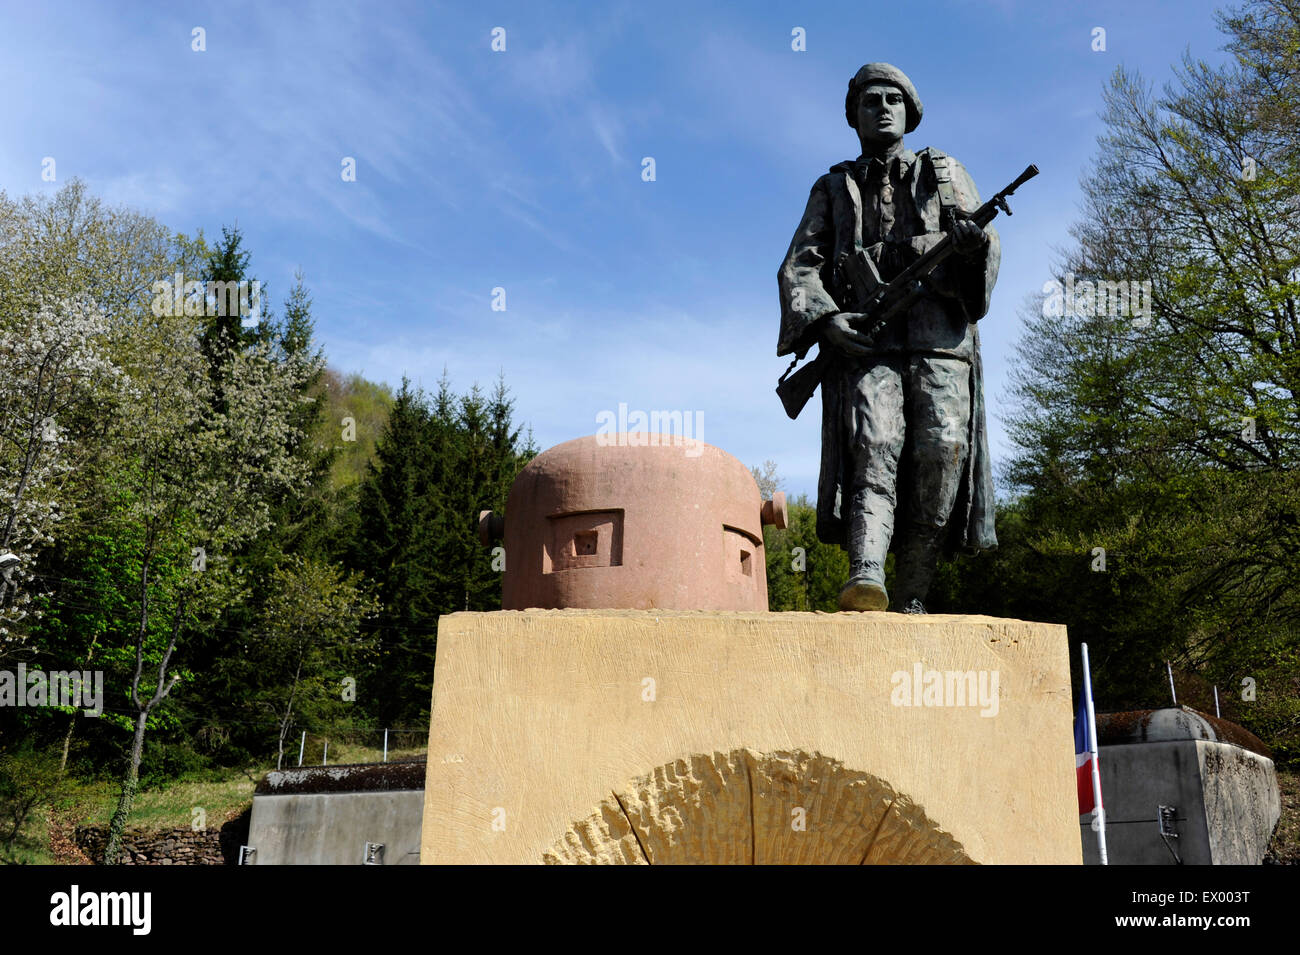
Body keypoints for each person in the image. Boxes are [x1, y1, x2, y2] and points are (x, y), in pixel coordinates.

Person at [777, 62, 999, 613]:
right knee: (872, 446)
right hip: (867, 346)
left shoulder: (946, 173)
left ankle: (913, 592)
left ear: (910, 113)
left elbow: (984, 247)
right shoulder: (832, 187)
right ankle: (866, 574)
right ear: (853, 115)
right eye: (870, 100)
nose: (882, 107)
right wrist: (828, 321)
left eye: (893, 99)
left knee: (942, 453)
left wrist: (972, 249)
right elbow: (800, 267)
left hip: (940, 346)